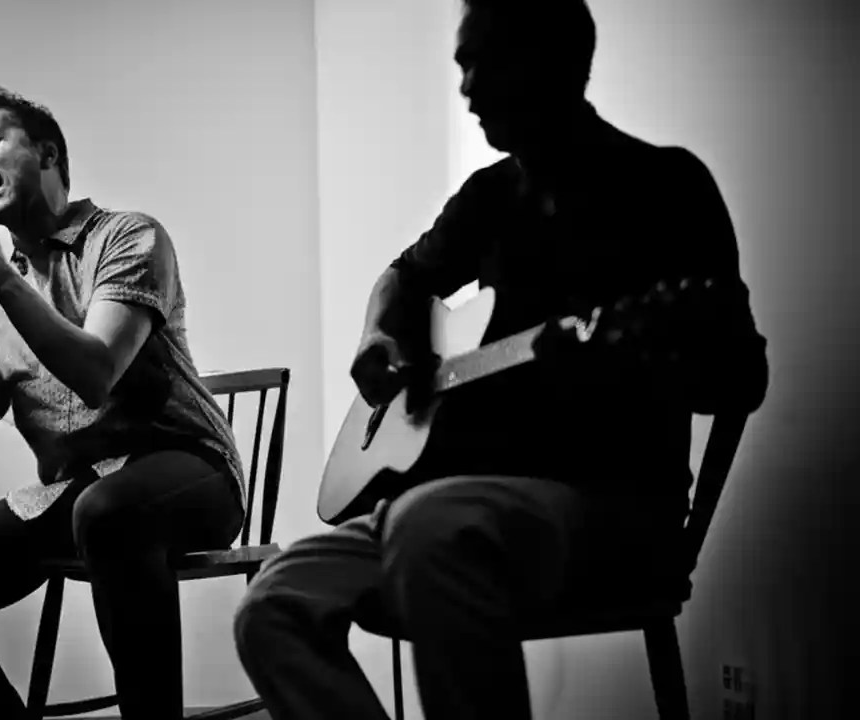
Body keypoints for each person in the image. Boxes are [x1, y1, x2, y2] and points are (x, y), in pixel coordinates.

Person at [233, 1, 769, 718]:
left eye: (486, 62)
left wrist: (639, 360)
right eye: (462, 65)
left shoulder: (664, 186)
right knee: (274, 602)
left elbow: (740, 378)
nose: (468, 87)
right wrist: (376, 337)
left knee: (430, 523)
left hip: (613, 506)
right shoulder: (491, 196)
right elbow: (403, 276)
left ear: (556, 62)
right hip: (456, 502)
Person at [0, 83, 247, 720]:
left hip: (186, 471)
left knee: (107, 514)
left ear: (46, 153)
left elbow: (96, 372)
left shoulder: (127, 236)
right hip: (73, 493)